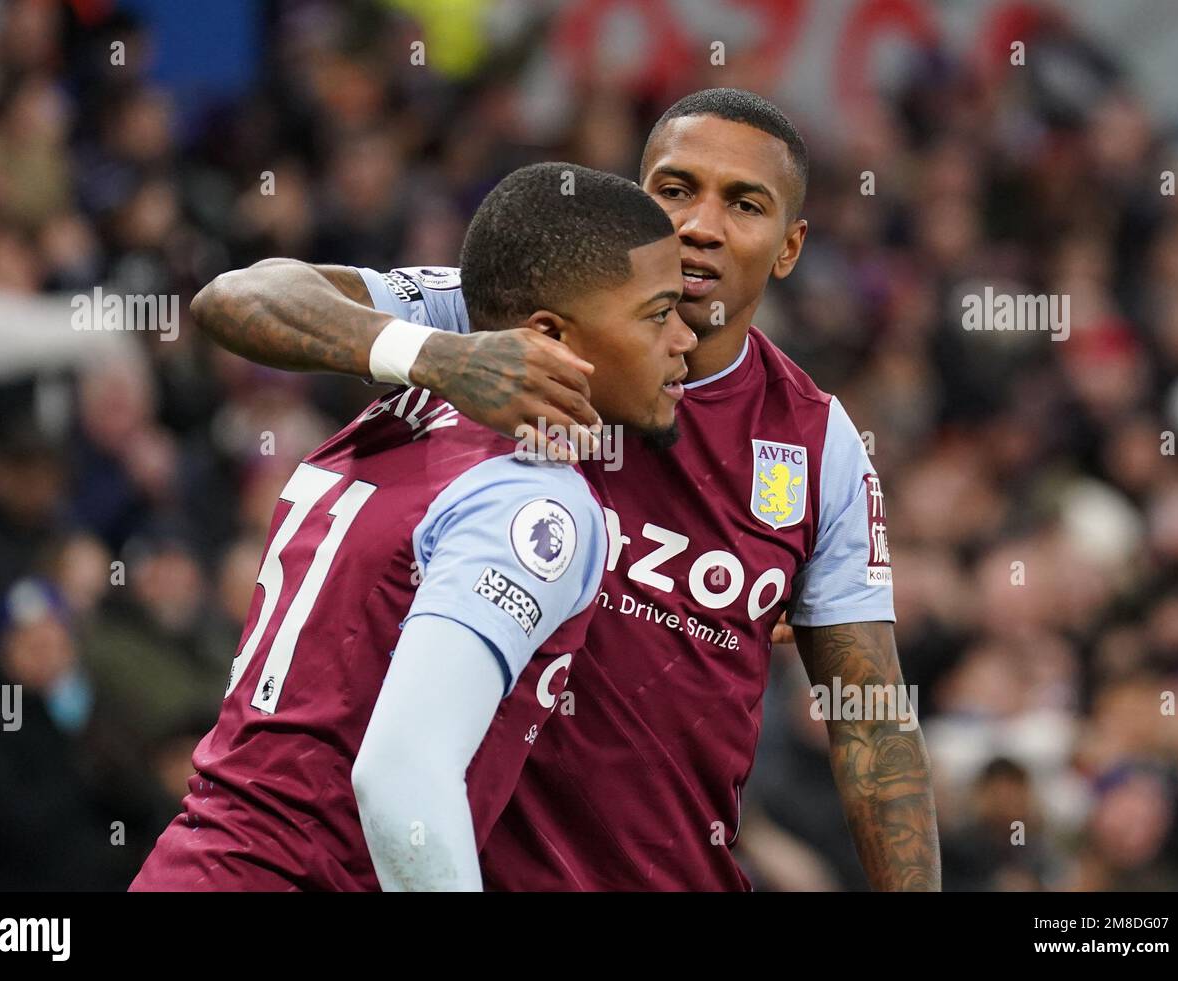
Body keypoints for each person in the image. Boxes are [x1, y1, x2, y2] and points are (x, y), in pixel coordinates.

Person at [192, 88, 941, 891]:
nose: (700, 224)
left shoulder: (816, 444)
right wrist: (435, 356)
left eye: (744, 204)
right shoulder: (502, 311)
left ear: (789, 247)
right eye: (676, 189)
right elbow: (237, 298)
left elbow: (872, 727)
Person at [131, 163, 694, 890]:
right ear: (549, 334)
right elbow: (402, 779)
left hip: (197, 859)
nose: (684, 338)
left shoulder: (401, 408)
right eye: (658, 314)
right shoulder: (535, 500)